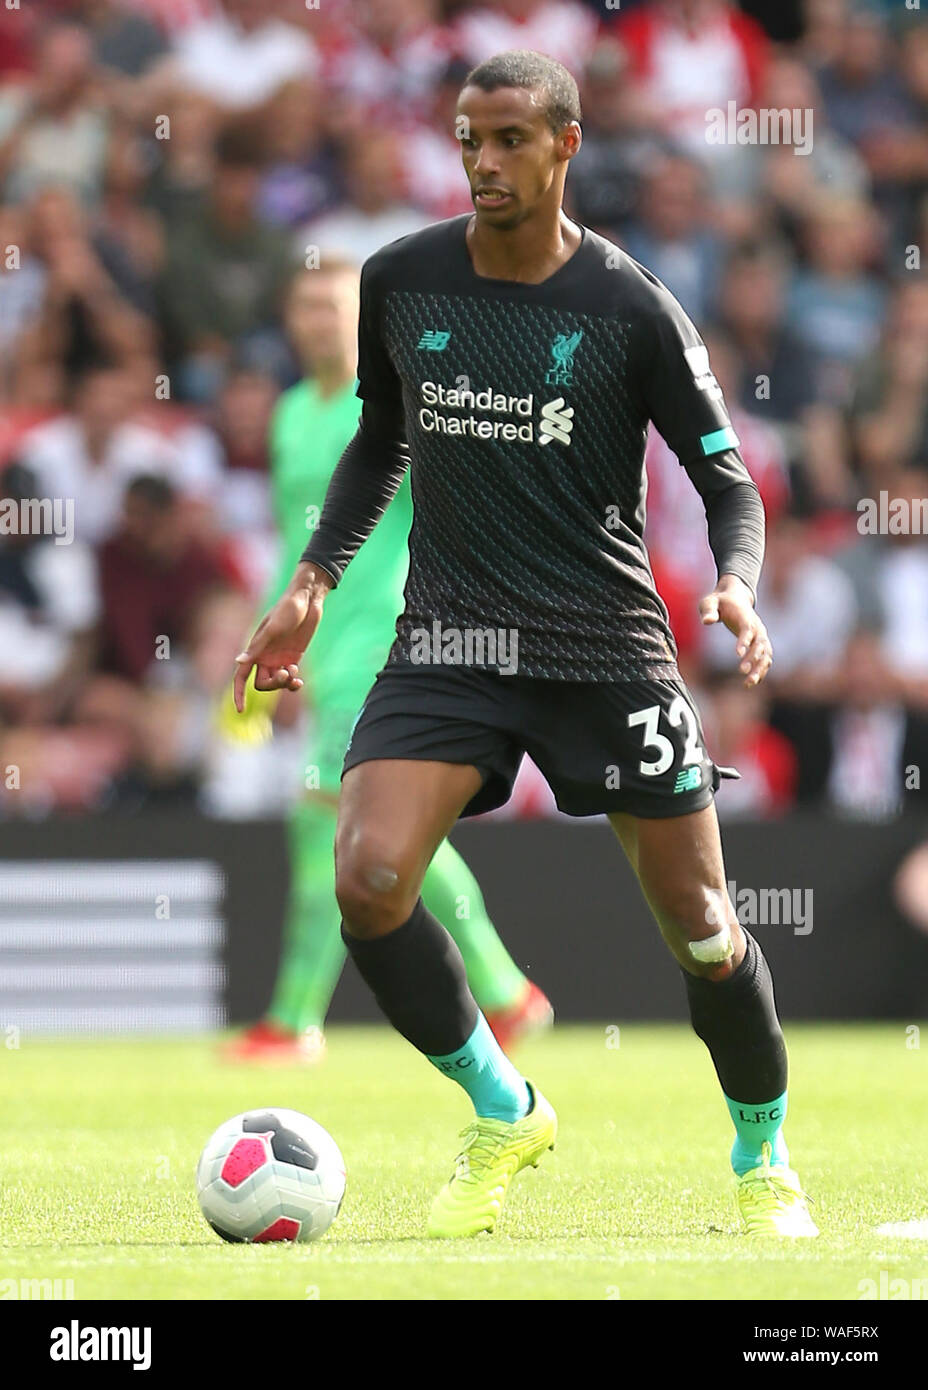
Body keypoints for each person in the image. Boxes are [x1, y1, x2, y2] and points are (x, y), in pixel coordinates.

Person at [234, 50, 817, 1241]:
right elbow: (379, 442)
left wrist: (739, 587)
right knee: (368, 877)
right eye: (467, 139)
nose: (483, 162)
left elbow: (726, 482)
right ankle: (505, 1109)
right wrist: (311, 578)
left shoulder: (629, 307)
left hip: (604, 643)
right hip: (449, 634)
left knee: (703, 926)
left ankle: (762, 1158)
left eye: (507, 139)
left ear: (564, 144)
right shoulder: (402, 279)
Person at [225, 258, 552, 1062]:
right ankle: (507, 994)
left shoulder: (397, 402)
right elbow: (294, 548)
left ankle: (296, 1022)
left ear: (361, 317)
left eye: (334, 305)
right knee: (370, 832)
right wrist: (268, 636)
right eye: (304, 305)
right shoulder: (293, 413)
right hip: (324, 650)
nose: (319, 320)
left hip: (387, 638)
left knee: (330, 824)